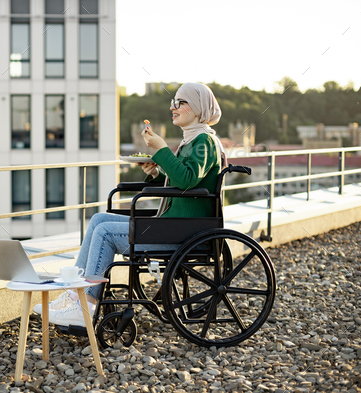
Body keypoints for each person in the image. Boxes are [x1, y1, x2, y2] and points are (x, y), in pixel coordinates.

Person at [35, 82, 227, 327]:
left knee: (105, 233)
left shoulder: (204, 142)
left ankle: (86, 306)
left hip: (184, 232)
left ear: (198, 107)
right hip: (175, 224)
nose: (173, 107)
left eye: (180, 102)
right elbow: (183, 181)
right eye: (173, 102)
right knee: (99, 220)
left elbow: (188, 181)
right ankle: (75, 294)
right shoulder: (192, 142)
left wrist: (161, 149)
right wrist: (158, 172)